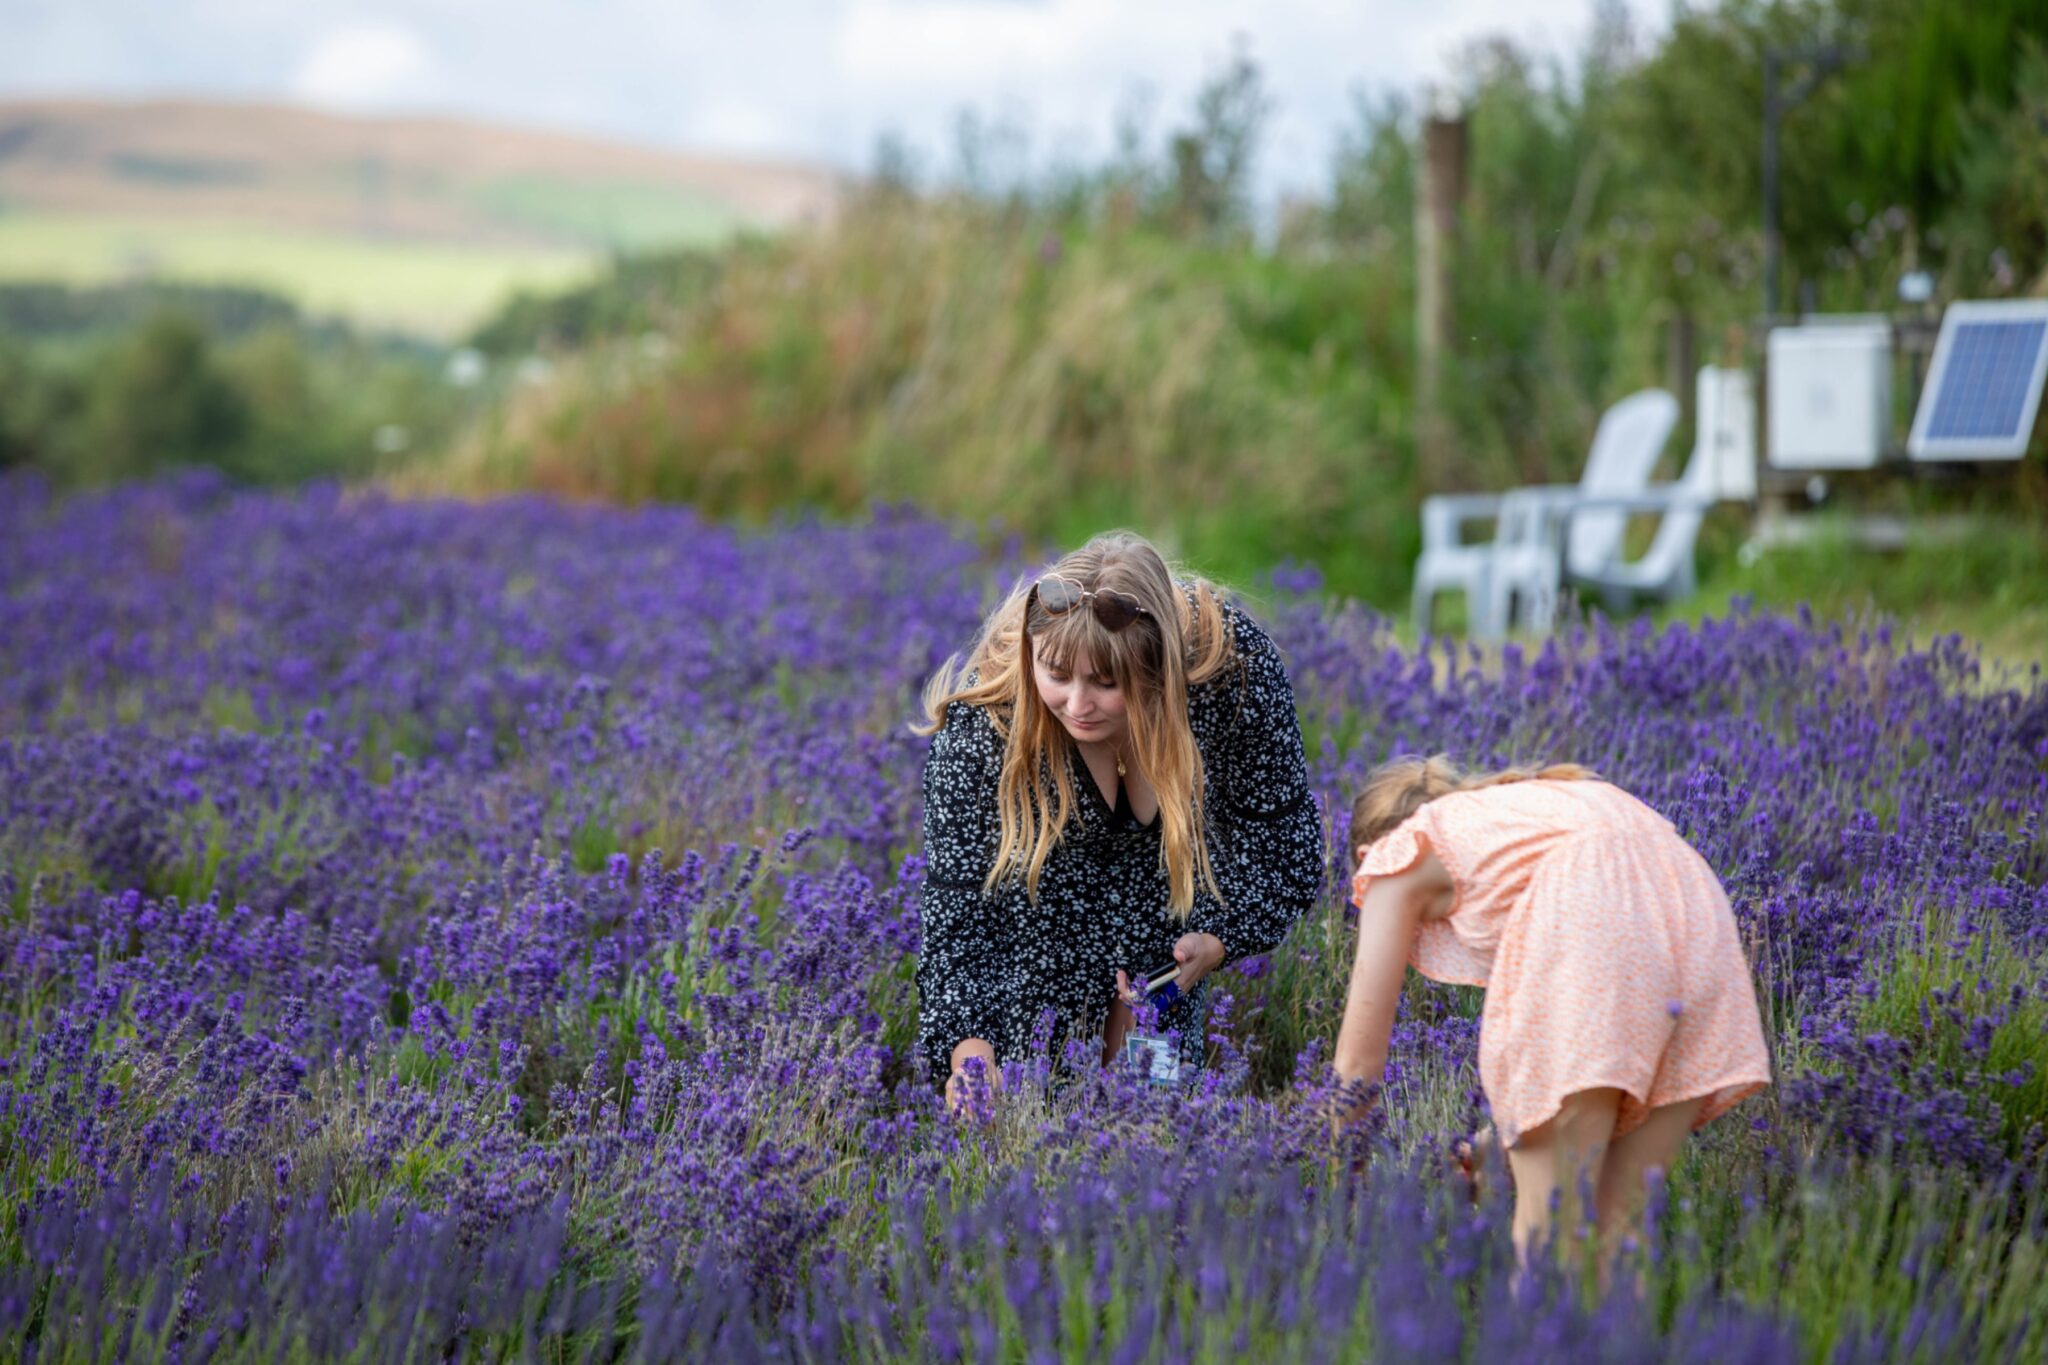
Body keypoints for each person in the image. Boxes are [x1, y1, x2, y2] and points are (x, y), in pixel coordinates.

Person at [914, 532, 1324, 1110]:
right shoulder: (987, 730)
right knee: (1036, 1128)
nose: (1078, 704)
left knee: (1151, 1126)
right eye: (1056, 673)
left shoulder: (1231, 674)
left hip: (1162, 958)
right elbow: (958, 926)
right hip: (1038, 960)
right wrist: (972, 1066)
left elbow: (1286, 850)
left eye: (1107, 684)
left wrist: (1222, 939)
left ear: (1161, 673)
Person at [1332, 756, 1770, 1264]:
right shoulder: (1526, 811)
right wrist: (1508, 1146)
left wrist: (1347, 1183)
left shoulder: (1397, 853)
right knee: (1617, 1235)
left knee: (1550, 1243)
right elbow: (1606, 1011)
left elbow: (1357, 1065)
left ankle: (1537, 1342)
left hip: (1590, 913)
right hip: (1695, 909)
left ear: (1368, 854)